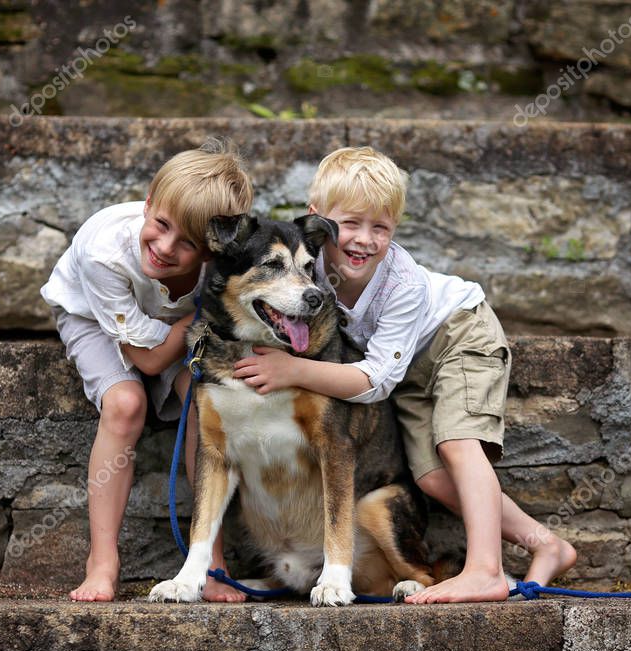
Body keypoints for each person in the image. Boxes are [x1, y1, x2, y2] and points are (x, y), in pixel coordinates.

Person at [232, 147, 576, 603]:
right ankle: (544, 542)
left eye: (382, 228)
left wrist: (292, 369)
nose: (365, 240)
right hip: (408, 366)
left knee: (457, 444)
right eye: (350, 223)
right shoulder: (304, 262)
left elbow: (374, 381)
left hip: (458, 337)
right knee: (432, 478)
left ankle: (486, 569)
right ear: (316, 219)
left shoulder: (403, 284)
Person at [41, 141, 253, 602]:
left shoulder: (223, 264)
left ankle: (209, 559)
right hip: (95, 317)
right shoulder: (105, 255)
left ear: (215, 251)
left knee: (207, 402)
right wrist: (191, 321)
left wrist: (188, 325)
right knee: (125, 404)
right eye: (159, 225)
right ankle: (102, 561)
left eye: (188, 244)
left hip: (172, 326)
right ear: (150, 202)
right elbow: (150, 360)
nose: (164, 247)